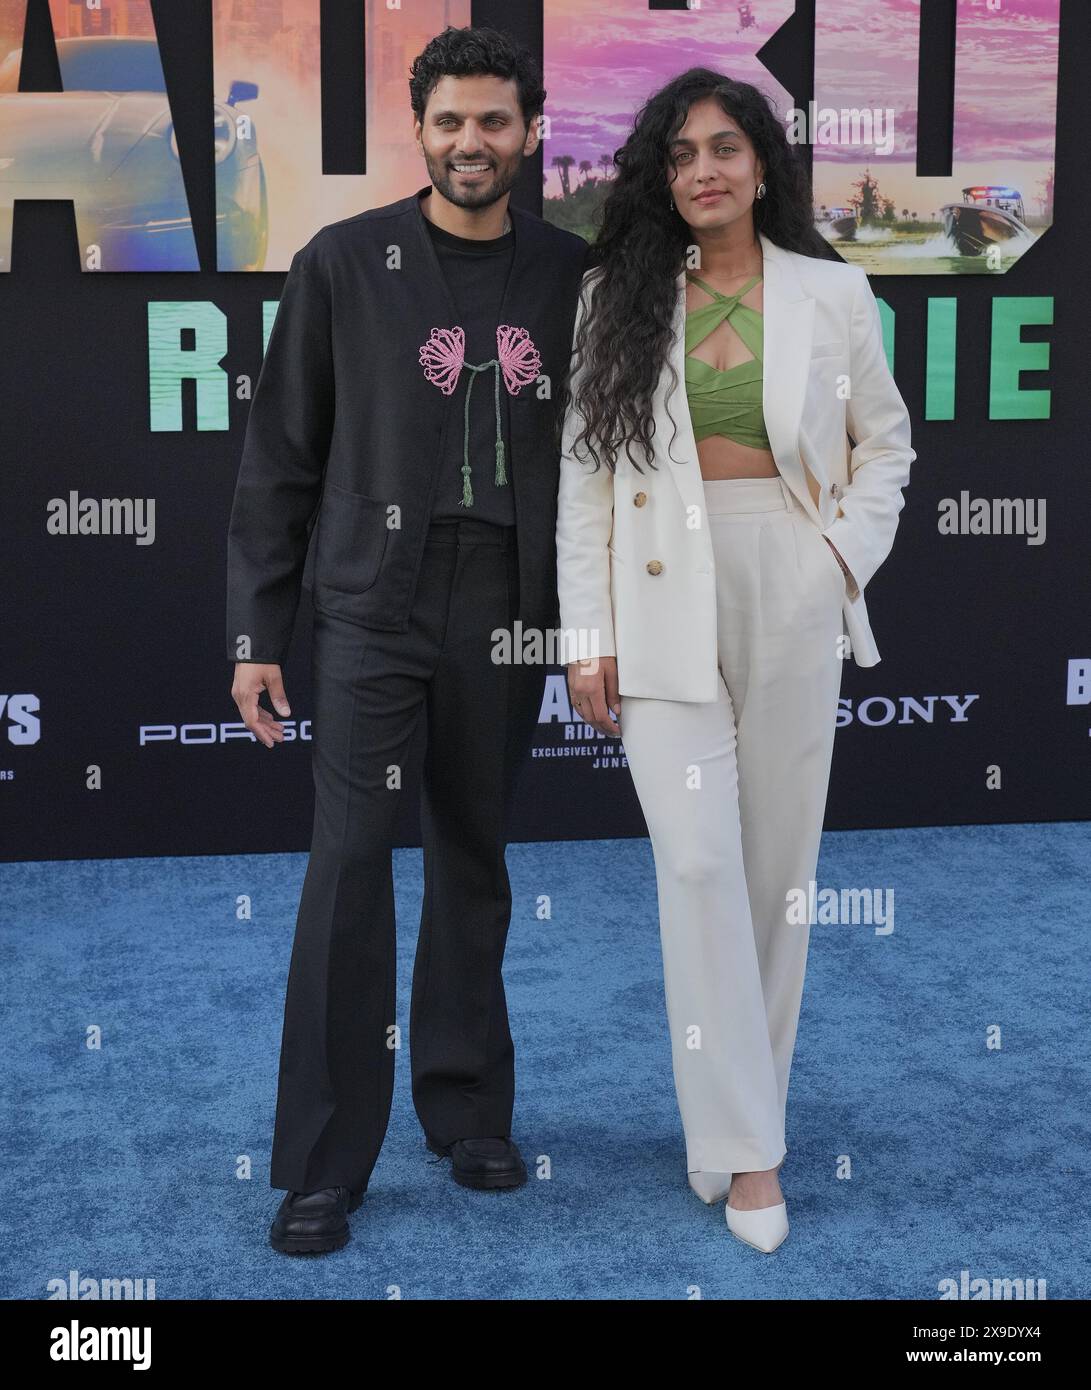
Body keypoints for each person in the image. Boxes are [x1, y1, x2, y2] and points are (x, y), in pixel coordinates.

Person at [226, 25, 588, 1254]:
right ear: (418, 129)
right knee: (348, 861)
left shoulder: (572, 274)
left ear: (527, 132)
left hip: (508, 601)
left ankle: (469, 1107)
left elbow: (607, 462)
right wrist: (256, 630)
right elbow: (281, 453)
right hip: (370, 602)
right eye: (448, 121)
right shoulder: (343, 261)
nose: (469, 142)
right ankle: (324, 1160)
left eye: (493, 121)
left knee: (472, 853)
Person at [555, 69, 914, 1252]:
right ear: (659, 178)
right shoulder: (614, 294)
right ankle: (752, 1155)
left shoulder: (832, 291)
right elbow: (584, 479)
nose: (702, 170)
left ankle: (730, 1128)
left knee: (773, 876)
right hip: (659, 589)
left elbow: (884, 447)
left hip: (788, 579)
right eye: (679, 154)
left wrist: (834, 561)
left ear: (761, 163)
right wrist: (586, 632)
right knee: (700, 862)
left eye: (723, 147)